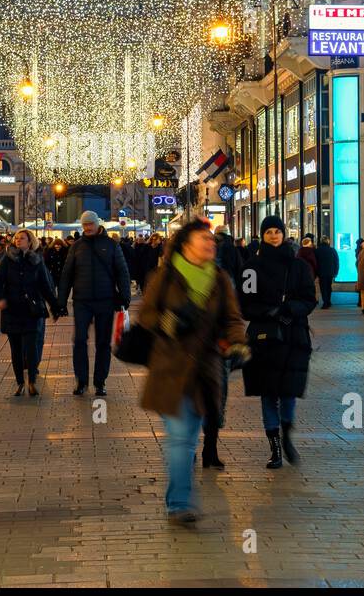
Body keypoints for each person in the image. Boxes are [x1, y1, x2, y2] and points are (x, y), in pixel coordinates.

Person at [137, 219, 249, 523]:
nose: (210, 244)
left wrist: (238, 343)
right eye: (204, 239)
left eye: (212, 240)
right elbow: (146, 315)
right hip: (170, 368)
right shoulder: (166, 276)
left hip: (204, 370)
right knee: (181, 438)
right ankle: (178, 504)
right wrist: (170, 322)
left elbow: (233, 318)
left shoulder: (220, 278)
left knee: (188, 437)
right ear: (187, 245)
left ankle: (180, 499)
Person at [239, 215, 318, 469]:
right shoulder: (252, 267)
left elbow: (309, 299)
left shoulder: (299, 267)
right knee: (267, 393)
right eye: (269, 231)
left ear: (284, 234)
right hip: (264, 339)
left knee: (288, 391)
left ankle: (286, 435)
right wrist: (268, 312)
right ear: (262, 235)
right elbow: (245, 305)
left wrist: (289, 309)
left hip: (294, 336)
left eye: (277, 231)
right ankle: (274, 448)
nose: (274, 235)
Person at [58, 209, 131, 397]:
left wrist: (125, 296)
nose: (87, 228)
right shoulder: (76, 247)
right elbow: (66, 274)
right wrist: (61, 301)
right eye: (84, 225)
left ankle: (100, 382)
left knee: (103, 343)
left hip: (105, 300)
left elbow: (122, 272)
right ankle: (81, 381)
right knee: (80, 340)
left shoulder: (111, 245)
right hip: (81, 300)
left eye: (90, 224)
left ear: (97, 224)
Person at [0, 229, 63, 395]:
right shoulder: (7, 260)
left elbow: (45, 286)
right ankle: (19, 383)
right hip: (12, 310)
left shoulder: (36, 261)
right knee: (16, 350)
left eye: (22, 238)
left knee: (31, 348)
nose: (18, 240)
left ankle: (31, 381)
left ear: (30, 242)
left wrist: (55, 306)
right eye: (16, 238)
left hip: (32, 311)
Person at [315, 236, 339, 308]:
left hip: (321, 272)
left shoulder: (317, 250)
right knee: (329, 286)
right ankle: (328, 301)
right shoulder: (332, 250)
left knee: (323, 287)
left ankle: (325, 302)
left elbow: (315, 262)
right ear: (328, 242)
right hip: (330, 272)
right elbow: (336, 262)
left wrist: (316, 272)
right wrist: (336, 271)